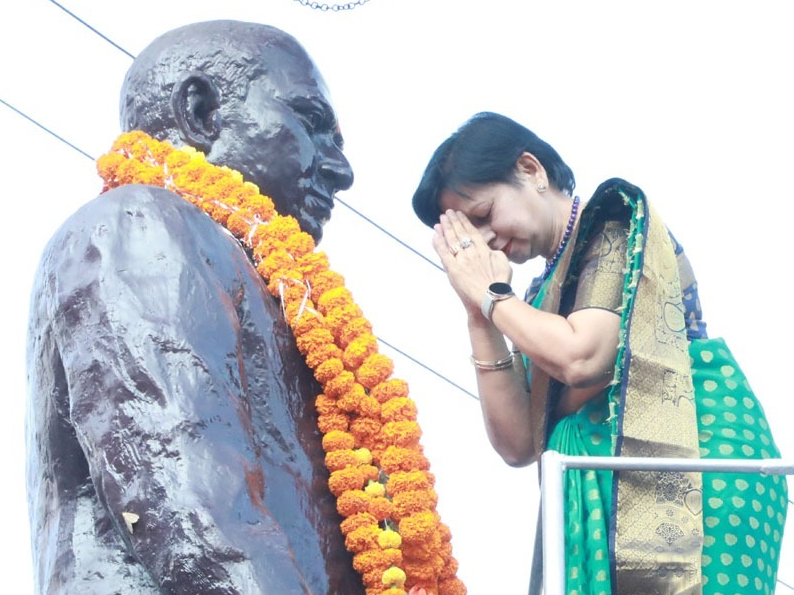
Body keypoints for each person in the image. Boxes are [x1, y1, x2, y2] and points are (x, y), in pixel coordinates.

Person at [26, 20, 364, 594]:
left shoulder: (273, 287)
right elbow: (193, 507)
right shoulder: (140, 223)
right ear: (202, 112)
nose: (341, 170)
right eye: (312, 125)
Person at [411, 111, 788, 595]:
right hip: (604, 494)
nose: (484, 240)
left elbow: (582, 356)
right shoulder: (532, 299)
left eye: (483, 216)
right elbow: (517, 443)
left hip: (695, 479)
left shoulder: (614, 226)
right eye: (468, 236)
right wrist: (478, 312)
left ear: (531, 170)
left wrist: (491, 294)